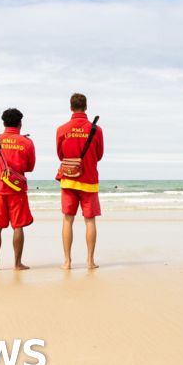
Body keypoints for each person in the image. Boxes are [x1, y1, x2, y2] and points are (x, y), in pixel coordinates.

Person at [56, 93, 104, 270]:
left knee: (68, 220)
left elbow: (60, 154)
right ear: (86, 107)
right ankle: (90, 261)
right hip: (89, 180)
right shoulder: (96, 130)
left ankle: (67, 262)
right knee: (89, 221)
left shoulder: (61, 129)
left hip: (68, 179)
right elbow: (99, 155)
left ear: (70, 107)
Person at [0, 108, 36, 271]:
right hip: (17, 189)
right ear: (20, 123)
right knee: (18, 226)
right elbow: (30, 167)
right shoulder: (26, 142)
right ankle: (17, 264)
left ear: (3, 123)